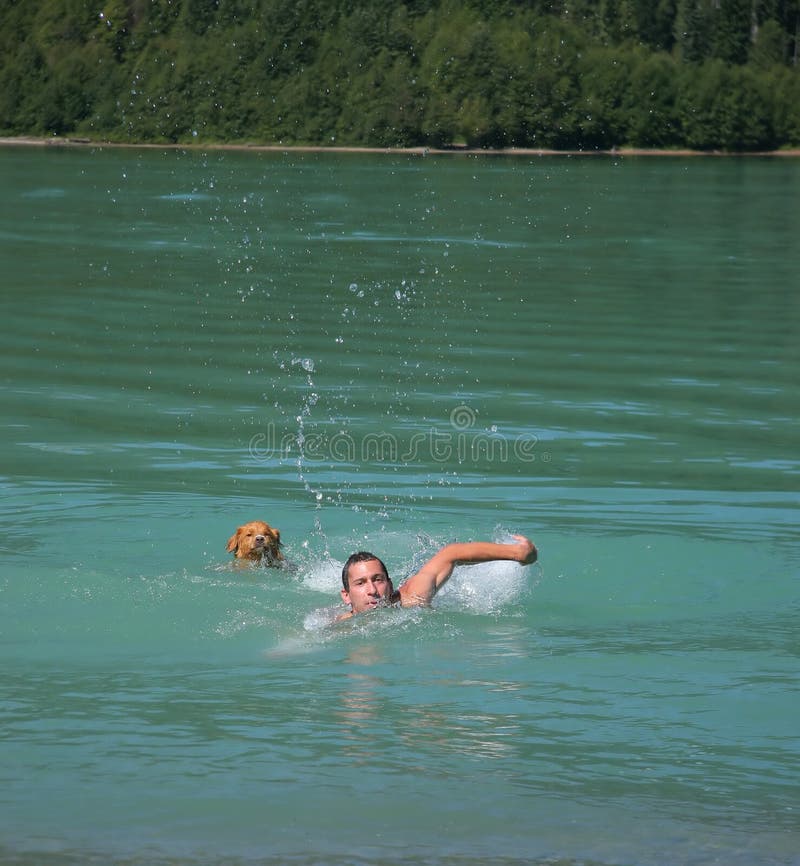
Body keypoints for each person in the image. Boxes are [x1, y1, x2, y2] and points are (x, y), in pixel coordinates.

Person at [337, 534, 537, 620]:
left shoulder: (411, 598)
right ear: (346, 596)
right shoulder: (339, 626)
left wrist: (518, 553)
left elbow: (451, 553)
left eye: (378, 579)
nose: (372, 590)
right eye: (360, 583)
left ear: (390, 584)